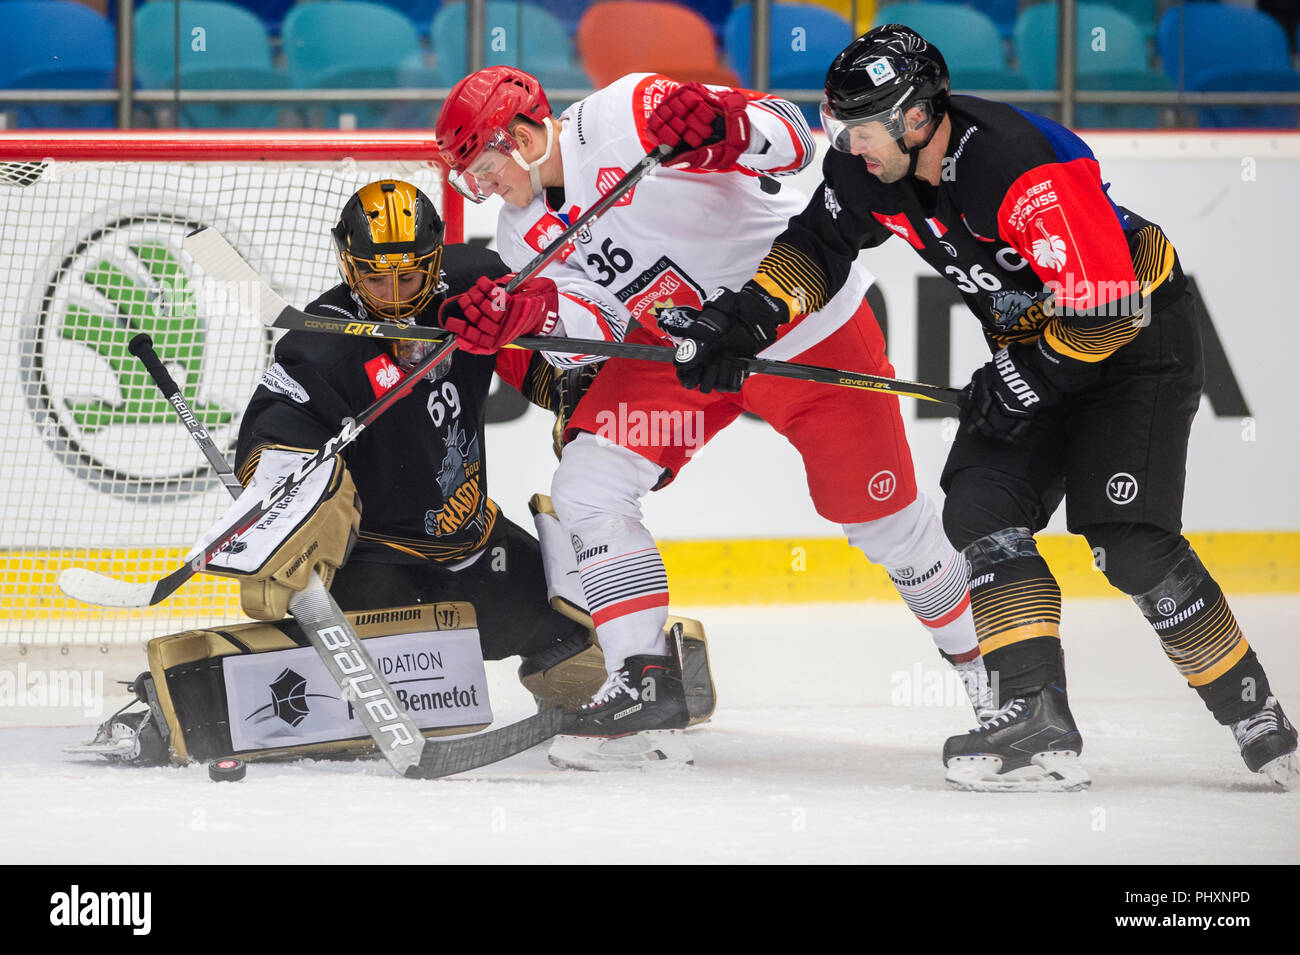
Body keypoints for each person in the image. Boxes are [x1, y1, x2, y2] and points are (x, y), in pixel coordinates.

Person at [678, 25, 1298, 791]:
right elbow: (817, 244)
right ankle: (1034, 715)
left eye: (860, 127)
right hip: (1042, 345)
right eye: (839, 126)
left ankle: (1257, 717)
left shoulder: (1016, 165)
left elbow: (1109, 312)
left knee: (1129, 542)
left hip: (1139, 342)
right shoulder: (871, 165)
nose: (845, 143)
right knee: (979, 507)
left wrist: (1027, 376)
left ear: (914, 119)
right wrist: (743, 319)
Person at [434, 67, 987, 770]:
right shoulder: (520, 232)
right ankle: (645, 685)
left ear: (517, 137)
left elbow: (794, 141)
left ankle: (995, 681)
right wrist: (529, 314)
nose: (482, 190)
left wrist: (728, 127)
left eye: (482, 169)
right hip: (686, 350)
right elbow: (599, 314)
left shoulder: (623, 114)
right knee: (587, 484)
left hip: (799, 318)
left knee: (891, 530)